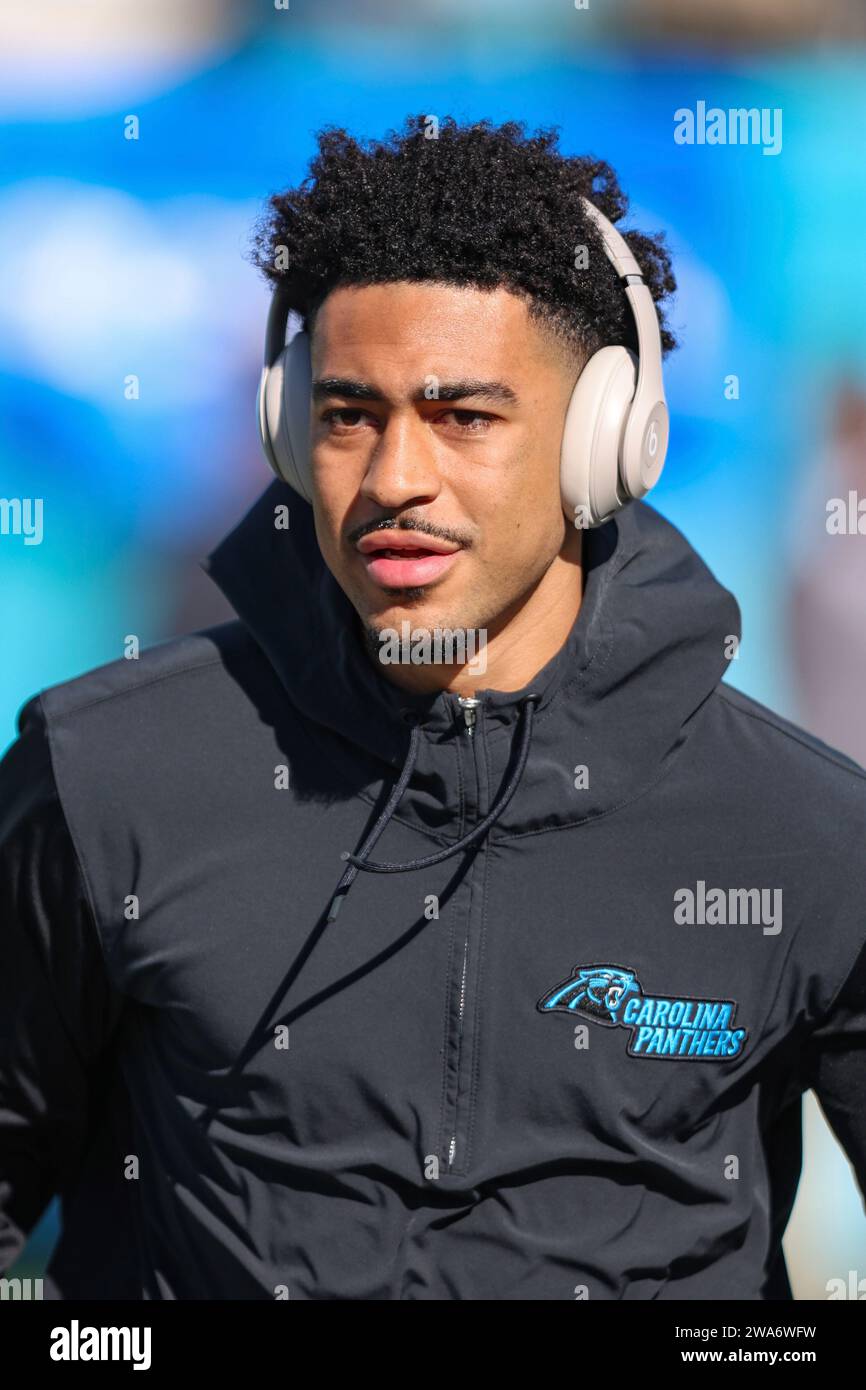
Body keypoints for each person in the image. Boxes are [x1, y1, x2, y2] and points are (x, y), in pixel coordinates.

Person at [1, 115, 864, 1302]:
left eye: (464, 416)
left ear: (605, 442)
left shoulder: (805, 832)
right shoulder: (105, 771)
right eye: (349, 414)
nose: (394, 477)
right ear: (288, 432)